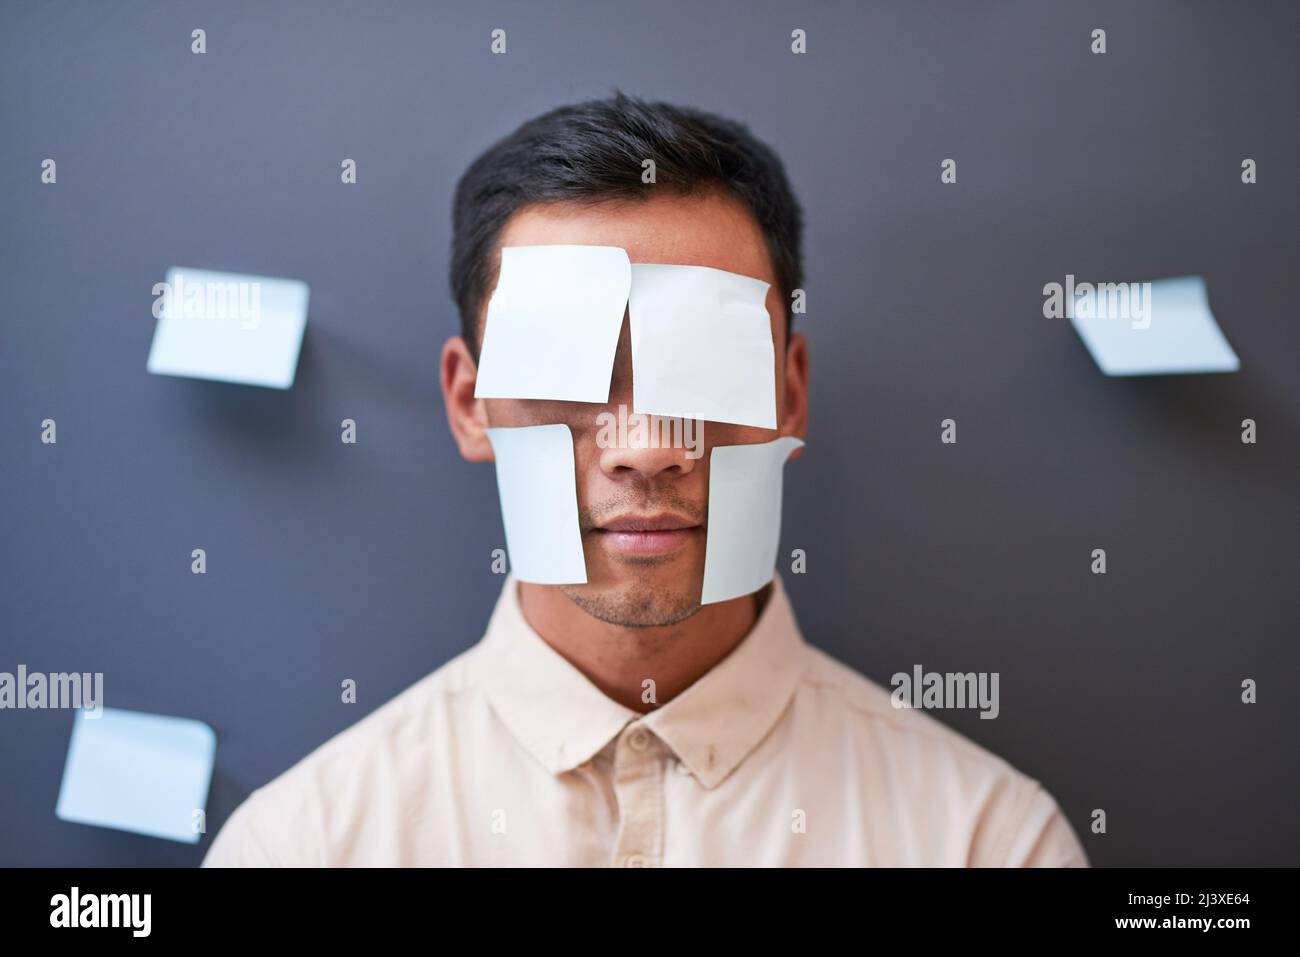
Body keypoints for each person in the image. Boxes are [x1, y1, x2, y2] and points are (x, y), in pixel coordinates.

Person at [203, 93, 1088, 867]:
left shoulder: (989, 844)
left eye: (709, 362)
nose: (645, 444)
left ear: (788, 394)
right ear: (471, 404)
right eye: (566, 368)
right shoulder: (301, 847)